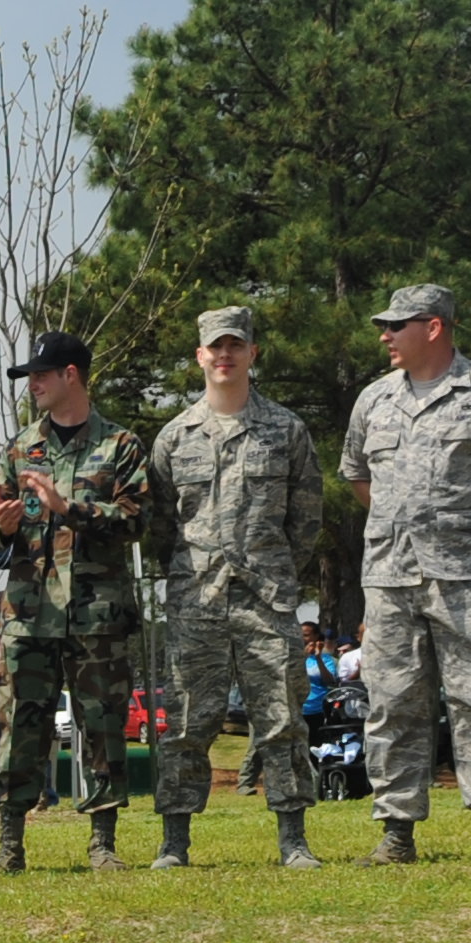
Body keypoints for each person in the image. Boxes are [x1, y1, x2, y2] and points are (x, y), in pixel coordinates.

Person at [339, 285, 471, 864]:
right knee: (392, 700)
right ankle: (396, 831)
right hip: (391, 575)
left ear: (433, 327)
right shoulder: (373, 401)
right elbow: (359, 476)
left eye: (396, 325)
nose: (385, 335)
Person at [143, 309, 326, 867]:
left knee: (281, 718)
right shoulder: (174, 437)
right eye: (214, 348)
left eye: (235, 346)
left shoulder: (286, 430)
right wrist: (185, 576)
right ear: (199, 356)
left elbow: (307, 518)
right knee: (185, 721)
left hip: (265, 601)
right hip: (195, 599)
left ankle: (293, 840)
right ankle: (175, 842)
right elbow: (158, 524)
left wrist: (273, 572)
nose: (225, 356)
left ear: (252, 354)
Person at [0, 332, 158, 872]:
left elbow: (136, 520)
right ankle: (10, 847)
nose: (32, 384)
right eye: (30, 376)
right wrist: (0, 527)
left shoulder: (121, 445)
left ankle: (102, 844)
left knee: (102, 725)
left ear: (71, 376)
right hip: (29, 612)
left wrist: (70, 507)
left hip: (95, 614)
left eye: (41, 374)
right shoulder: (20, 449)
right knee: (21, 728)